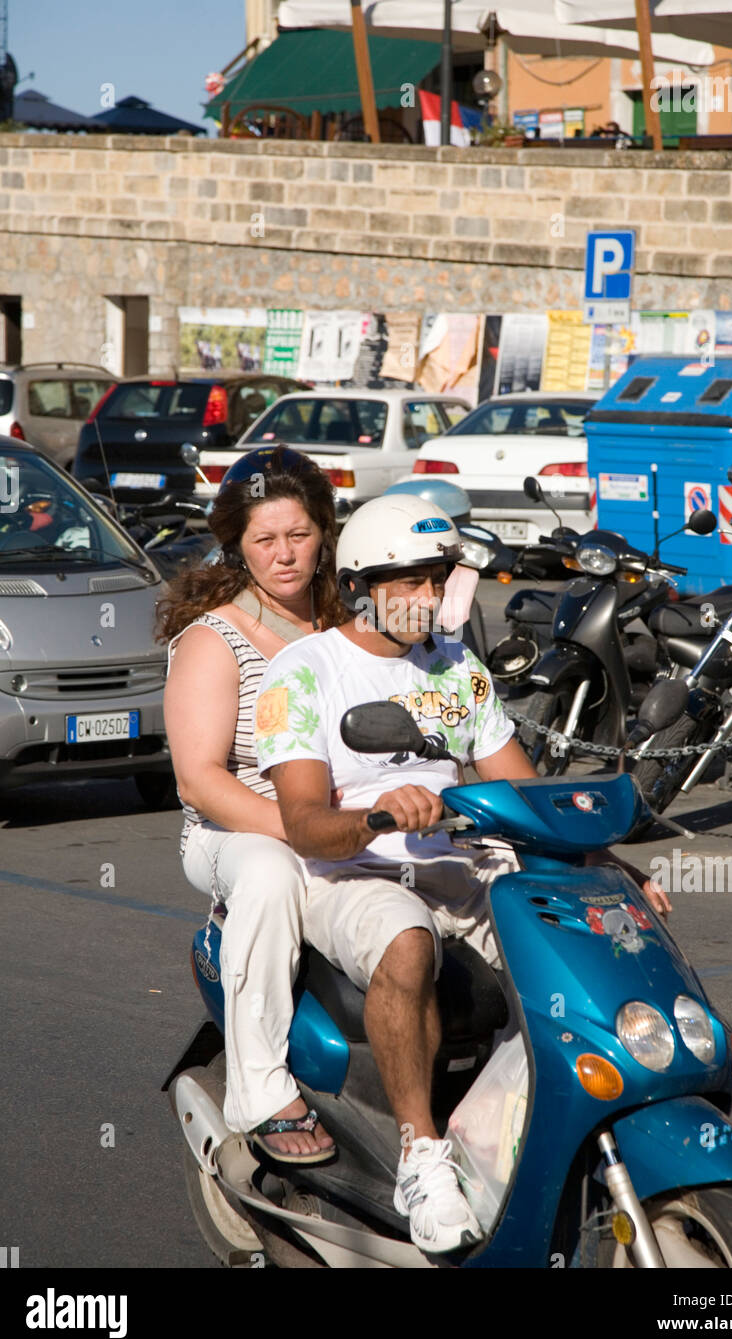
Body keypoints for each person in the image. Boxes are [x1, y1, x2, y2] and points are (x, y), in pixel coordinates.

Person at [254, 494, 670, 1251]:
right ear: (357, 587)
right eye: (404, 581)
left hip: (459, 866)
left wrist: (617, 867)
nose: (423, 598)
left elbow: (521, 793)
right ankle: (422, 1156)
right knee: (407, 940)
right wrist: (379, 814)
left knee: (588, 937)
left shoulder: (460, 671)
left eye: (434, 579)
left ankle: (521, 1128)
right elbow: (305, 823)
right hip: (350, 872)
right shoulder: (304, 673)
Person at [157, 444, 347, 1163]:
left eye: (299, 535)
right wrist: (308, 832)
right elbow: (200, 781)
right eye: (264, 540)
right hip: (234, 831)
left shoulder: (346, 627)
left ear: (324, 534)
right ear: (238, 546)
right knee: (268, 871)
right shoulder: (215, 639)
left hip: (339, 822)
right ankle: (260, 1089)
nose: (285, 555)